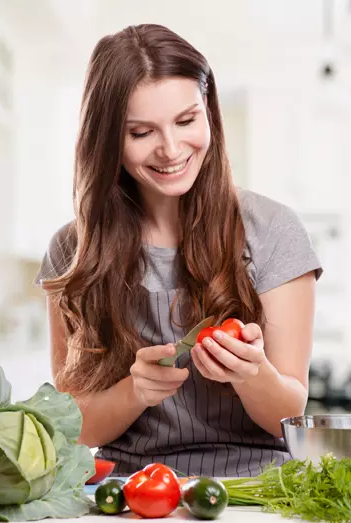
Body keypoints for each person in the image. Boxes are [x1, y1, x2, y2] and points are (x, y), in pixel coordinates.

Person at [35, 23, 322, 478]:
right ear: (107, 139)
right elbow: (77, 426)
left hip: (258, 492)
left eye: (186, 121)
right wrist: (136, 390)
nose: (171, 149)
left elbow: (290, 416)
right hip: (134, 492)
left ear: (208, 111)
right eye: (141, 132)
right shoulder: (73, 251)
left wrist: (252, 375)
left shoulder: (274, 232)